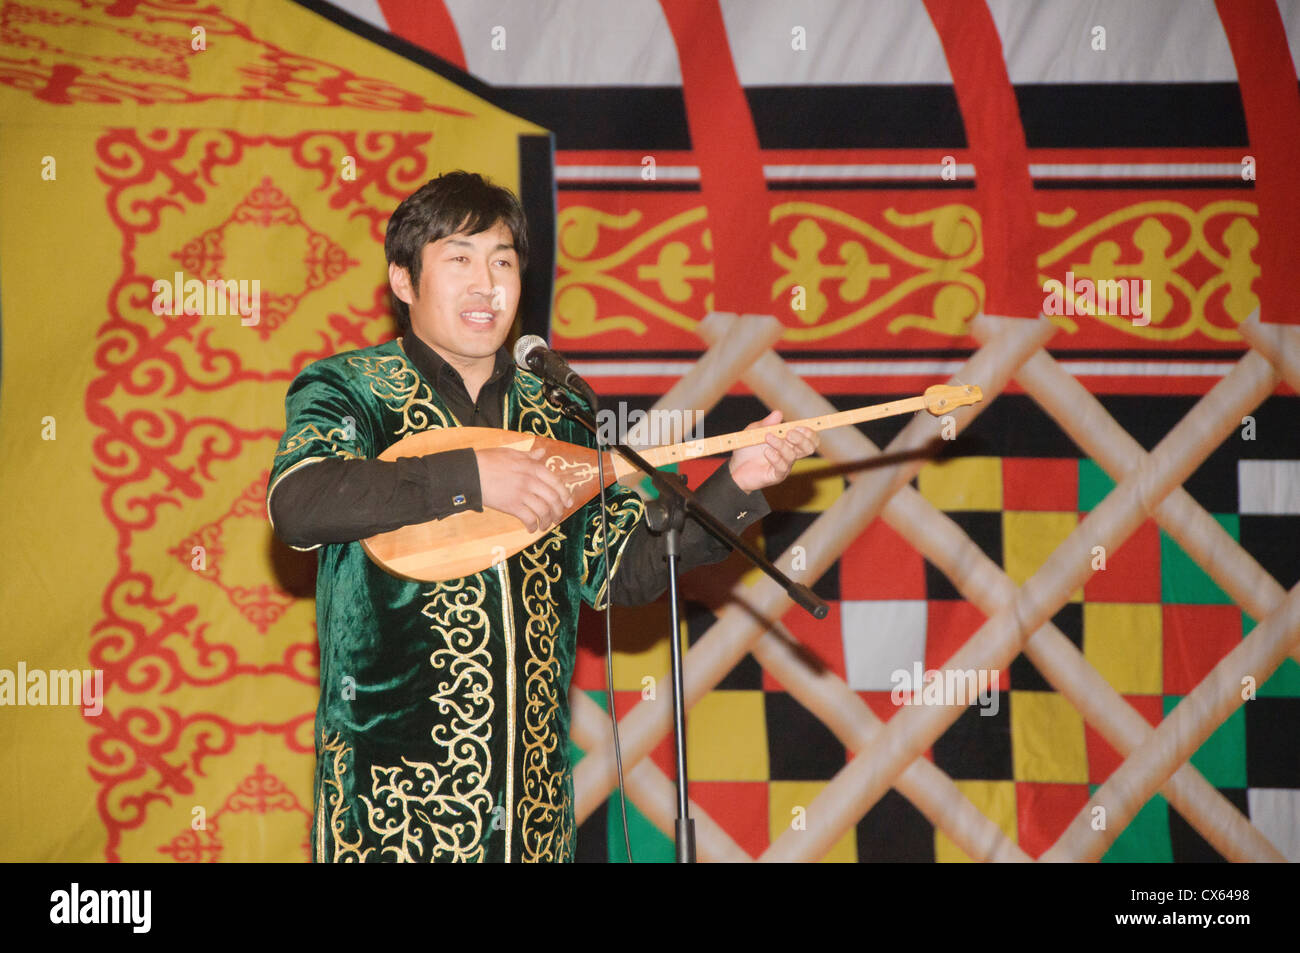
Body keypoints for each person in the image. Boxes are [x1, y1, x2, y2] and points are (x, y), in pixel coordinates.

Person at [266, 171, 818, 862]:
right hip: (390, 818)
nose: (486, 283)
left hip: (530, 817)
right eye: (458, 258)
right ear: (403, 281)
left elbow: (622, 570)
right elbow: (300, 502)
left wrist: (736, 484)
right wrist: (473, 476)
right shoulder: (352, 387)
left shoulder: (555, 412)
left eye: (502, 261)